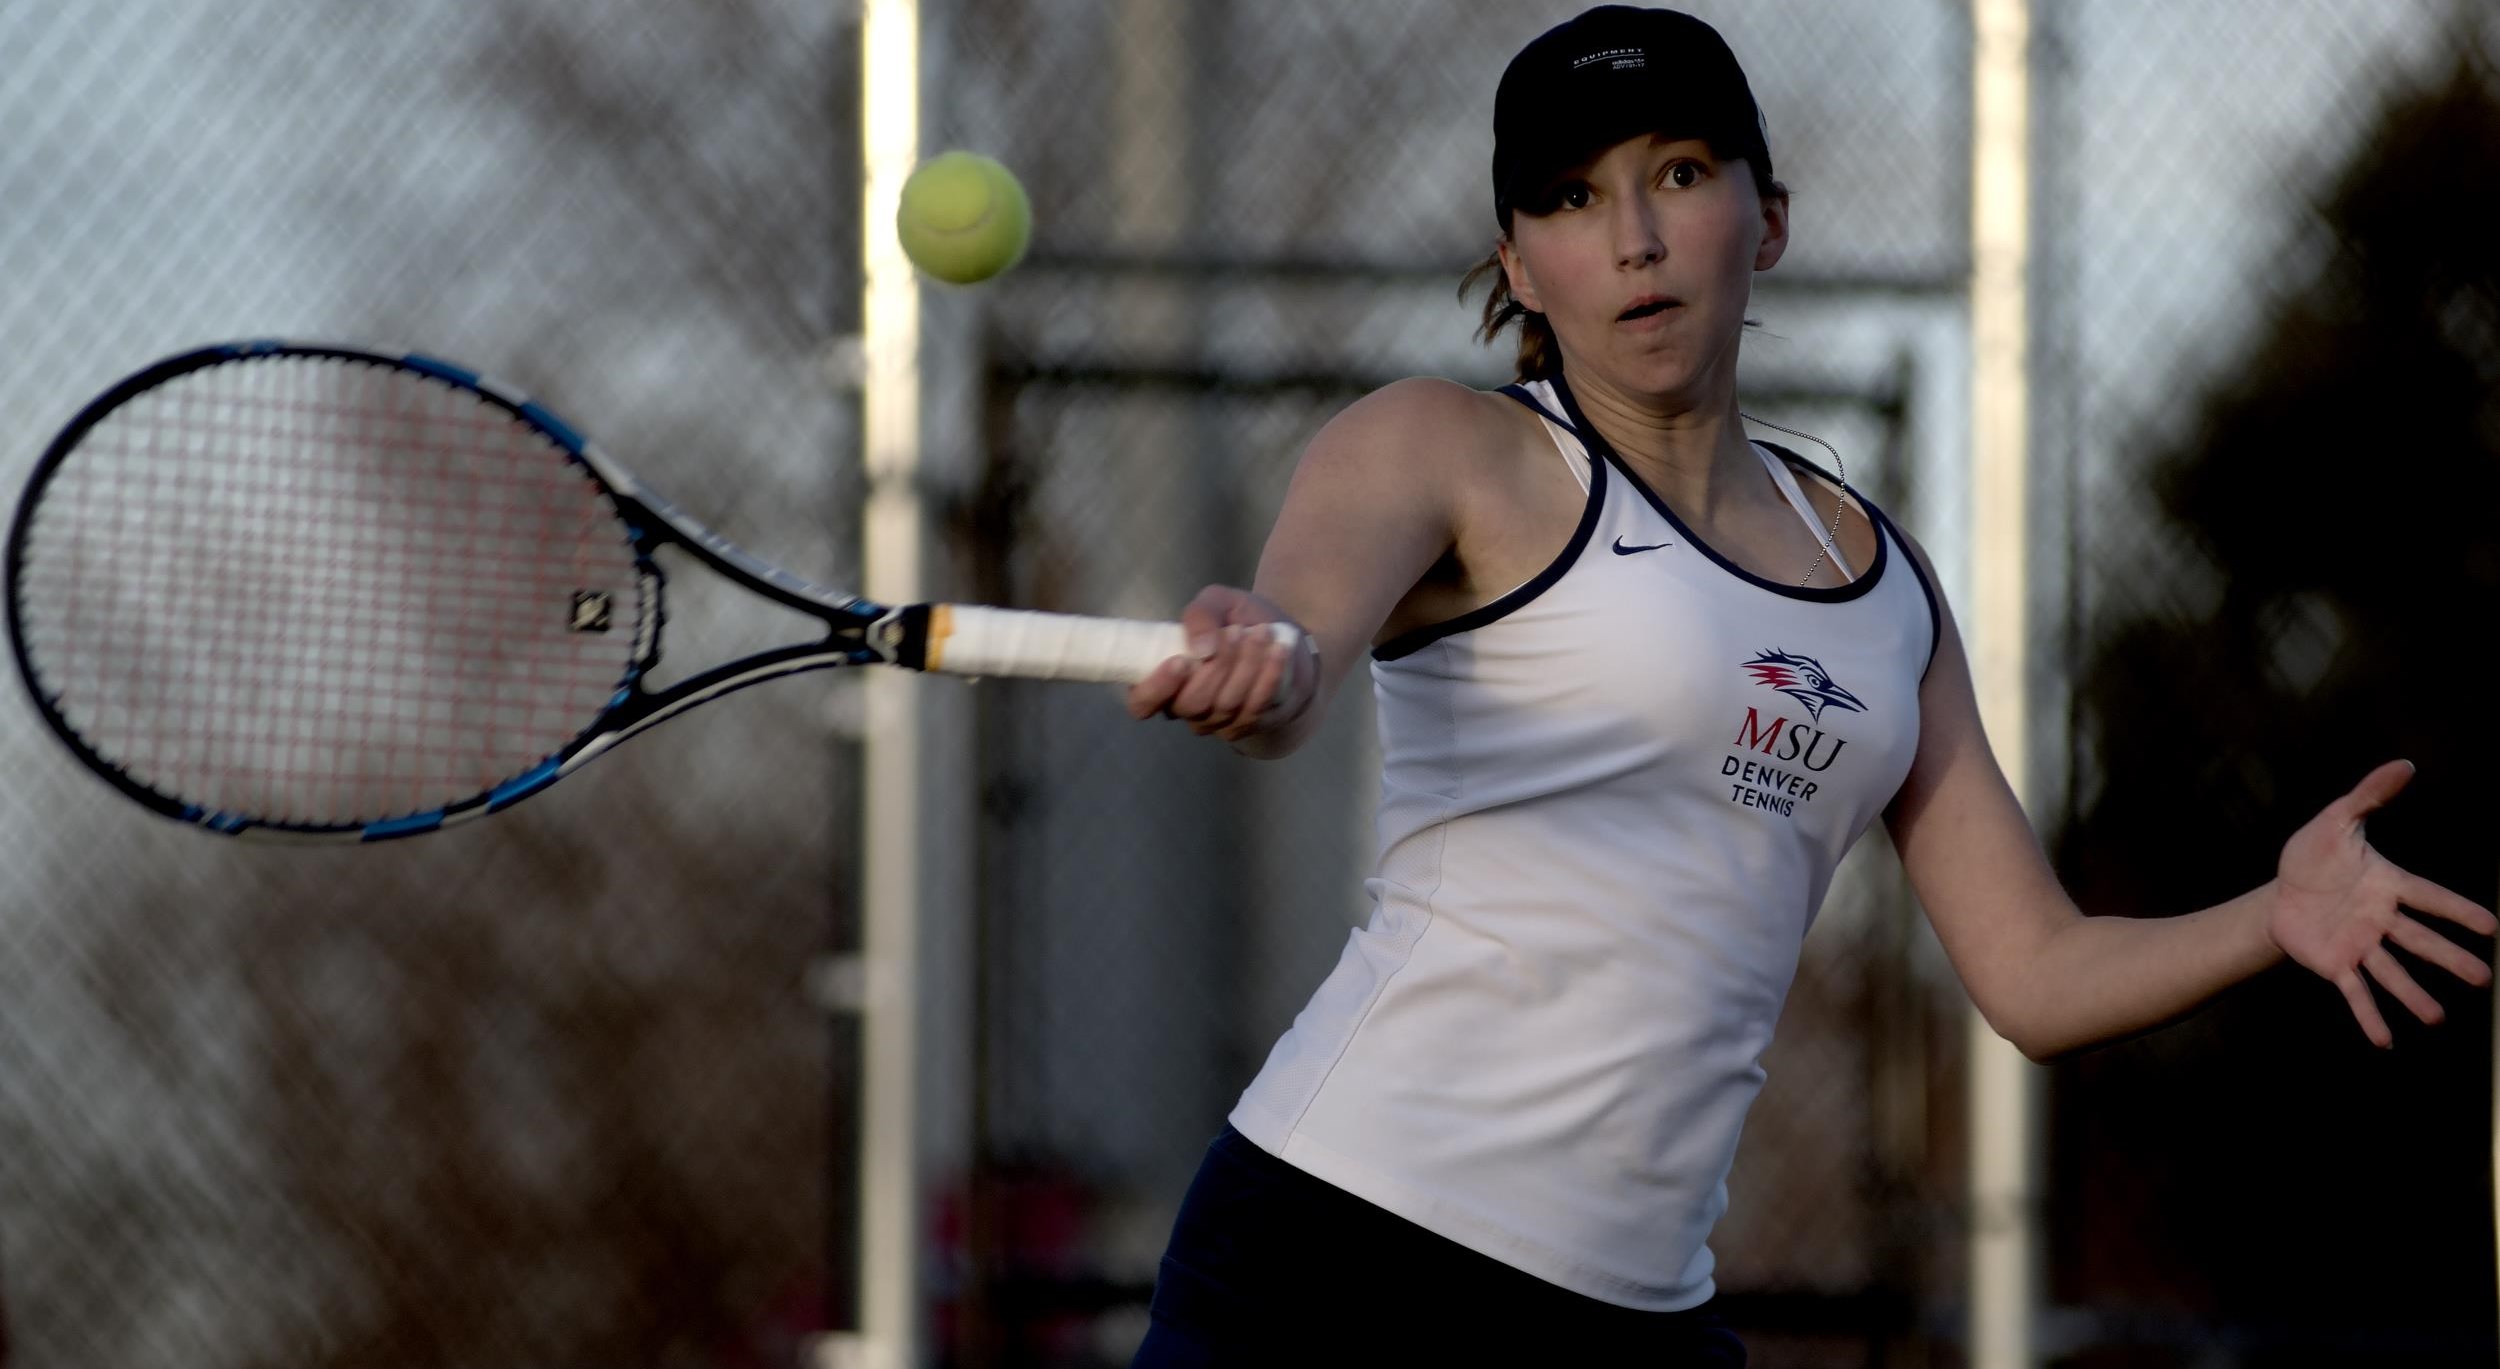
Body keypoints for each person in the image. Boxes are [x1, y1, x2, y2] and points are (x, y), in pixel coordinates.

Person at [1118, 8, 2497, 1365]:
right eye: (1571, 197)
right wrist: (1260, 654)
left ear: (1765, 217)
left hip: (1638, 1311)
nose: (1634, 238)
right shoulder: (1443, 446)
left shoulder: (1883, 582)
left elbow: (2036, 972)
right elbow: (1294, 655)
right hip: (1341, 1257)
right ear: (1520, 267)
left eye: (1677, 172)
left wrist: (2276, 912)